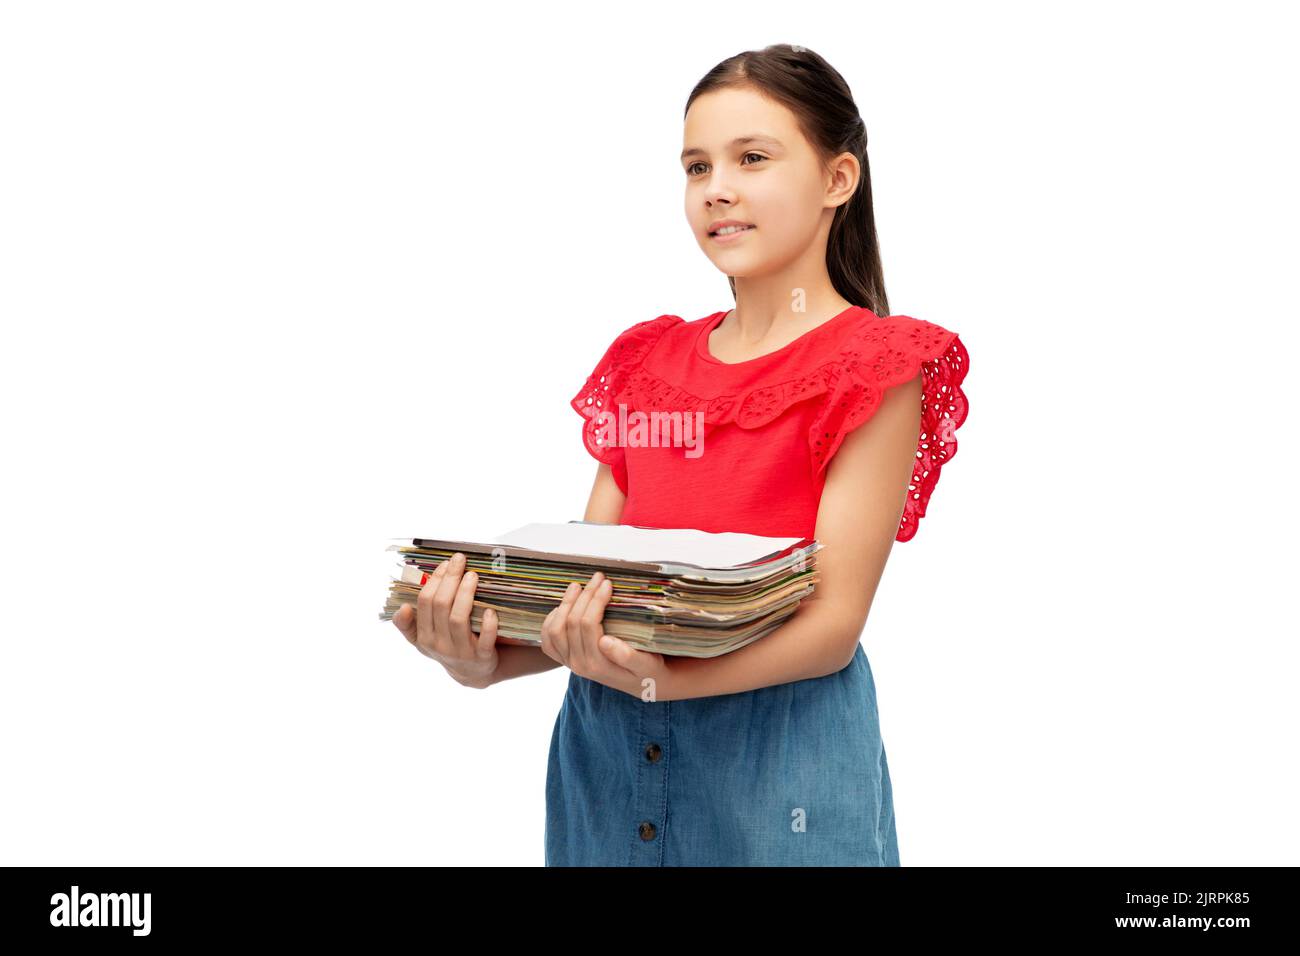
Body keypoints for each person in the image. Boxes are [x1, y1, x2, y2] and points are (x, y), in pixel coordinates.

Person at [392, 43, 969, 866]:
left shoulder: (876, 363)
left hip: (780, 768)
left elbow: (832, 628)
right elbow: (592, 592)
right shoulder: (647, 361)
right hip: (608, 760)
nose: (717, 189)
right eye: (697, 167)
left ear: (839, 180)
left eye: (752, 158)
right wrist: (476, 658)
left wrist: (664, 680)